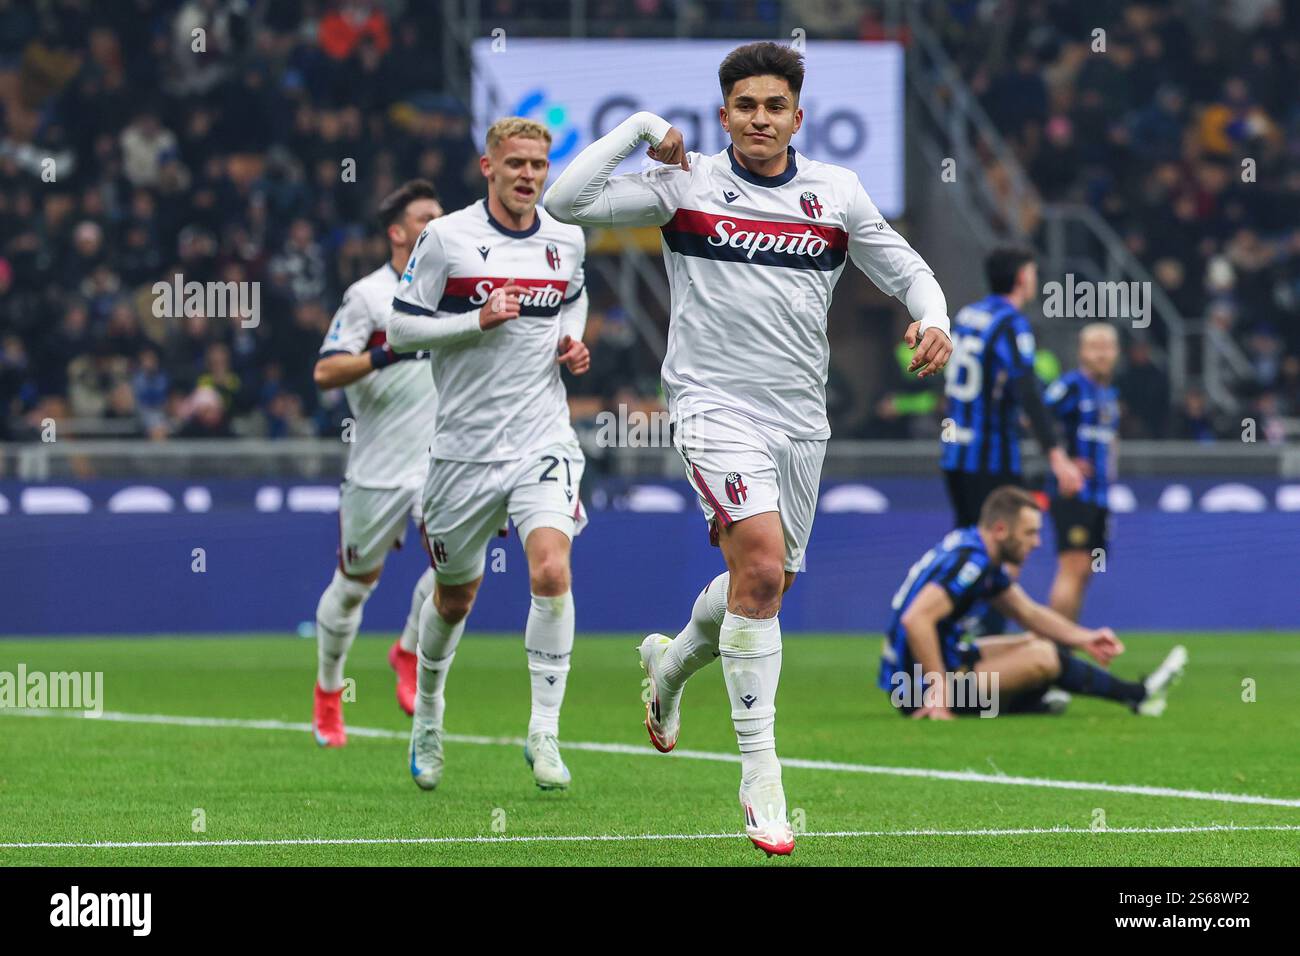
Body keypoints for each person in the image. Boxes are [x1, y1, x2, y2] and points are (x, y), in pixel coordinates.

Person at [544, 41, 953, 855]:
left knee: (763, 584)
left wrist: (933, 318)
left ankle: (668, 667)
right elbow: (564, 200)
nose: (760, 120)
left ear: (797, 117)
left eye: (775, 107)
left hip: (799, 419)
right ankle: (762, 779)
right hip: (710, 406)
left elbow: (909, 271)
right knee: (761, 570)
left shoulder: (834, 194)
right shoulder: (683, 184)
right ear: (723, 114)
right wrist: (641, 127)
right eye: (745, 107)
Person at [389, 117, 591, 792]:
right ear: (488, 166)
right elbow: (399, 326)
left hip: (542, 437)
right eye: (516, 164)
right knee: (454, 599)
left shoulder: (566, 239)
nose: (529, 175)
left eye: (538, 163)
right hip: (462, 454)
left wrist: (571, 341)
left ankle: (545, 732)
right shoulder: (446, 238)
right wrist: (474, 319)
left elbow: (574, 299)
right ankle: (429, 717)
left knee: (551, 569)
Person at [310, 179, 442, 747]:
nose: (436, 223)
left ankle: (408, 650)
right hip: (378, 466)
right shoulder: (367, 296)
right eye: (423, 217)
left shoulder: (456, 289)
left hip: (442, 461)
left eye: (441, 215)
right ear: (397, 231)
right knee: (353, 587)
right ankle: (328, 690)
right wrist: (389, 350)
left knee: (456, 563)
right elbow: (325, 372)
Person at [879, 486, 1186, 719]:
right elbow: (915, 620)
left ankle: (1040, 700)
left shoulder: (976, 550)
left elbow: (1028, 612)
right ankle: (1135, 695)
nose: (1037, 542)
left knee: (1034, 643)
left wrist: (1085, 638)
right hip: (912, 688)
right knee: (1042, 657)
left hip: (936, 665)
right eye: (1030, 533)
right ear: (1001, 530)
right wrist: (939, 690)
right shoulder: (971, 563)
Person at [1045, 323, 1121, 621]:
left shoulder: (1108, 394)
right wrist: (1063, 460)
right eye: (1094, 346)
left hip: (1099, 493)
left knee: (1085, 570)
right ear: (1082, 351)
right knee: (1072, 568)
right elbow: (1035, 417)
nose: (1102, 354)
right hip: (1073, 490)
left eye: (1107, 347)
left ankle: (1063, 648)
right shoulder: (1071, 386)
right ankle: (1051, 650)